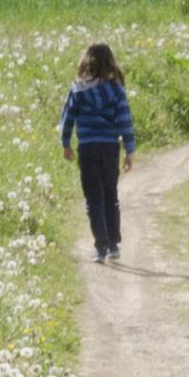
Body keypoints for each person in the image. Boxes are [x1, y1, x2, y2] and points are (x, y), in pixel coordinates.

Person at [59, 42, 137, 265]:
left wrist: (66, 143)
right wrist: (129, 150)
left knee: (93, 197)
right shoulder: (116, 89)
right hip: (110, 148)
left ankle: (100, 246)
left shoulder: (78, 89)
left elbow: (68, 117)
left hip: (87, 148)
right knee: (111, 195)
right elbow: (124, 120)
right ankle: (113, 244)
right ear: (110, 63)